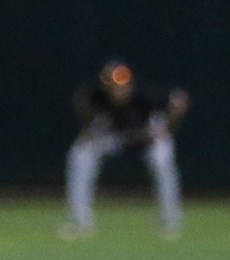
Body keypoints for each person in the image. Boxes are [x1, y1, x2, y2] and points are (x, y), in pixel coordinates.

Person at [62, 59, 190, 239]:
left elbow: (180, 100)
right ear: (105, 85)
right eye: (114, 84)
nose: (119, 88)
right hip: (115, 136)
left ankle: (170, 220)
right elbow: (81, 102)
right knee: (81, 154)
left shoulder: (145, 95)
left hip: (146, 136)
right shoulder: (95, 96)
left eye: (123, 84)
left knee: (162, 161)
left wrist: (166, 128)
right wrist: (89, 128)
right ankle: (80, 221)